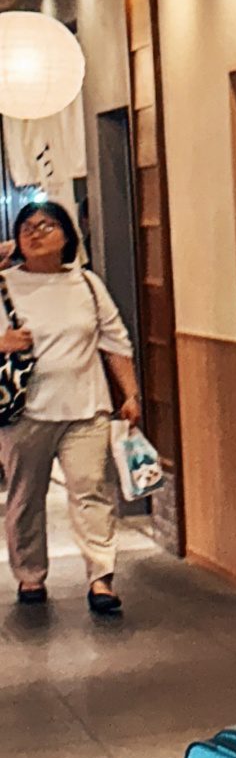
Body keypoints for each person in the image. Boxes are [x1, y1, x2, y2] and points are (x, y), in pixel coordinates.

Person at [0, 200, 141, 616]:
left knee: (91, 491)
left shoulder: (87, 284)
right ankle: (30, 574)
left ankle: (101, 578)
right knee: (25, 498)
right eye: (27, 226)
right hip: (24, 413)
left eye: (47, 225)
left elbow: (114, 341)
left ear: (67, 236)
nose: (37, 232)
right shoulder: (5, 284)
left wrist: (129, 393)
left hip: (86, 407)